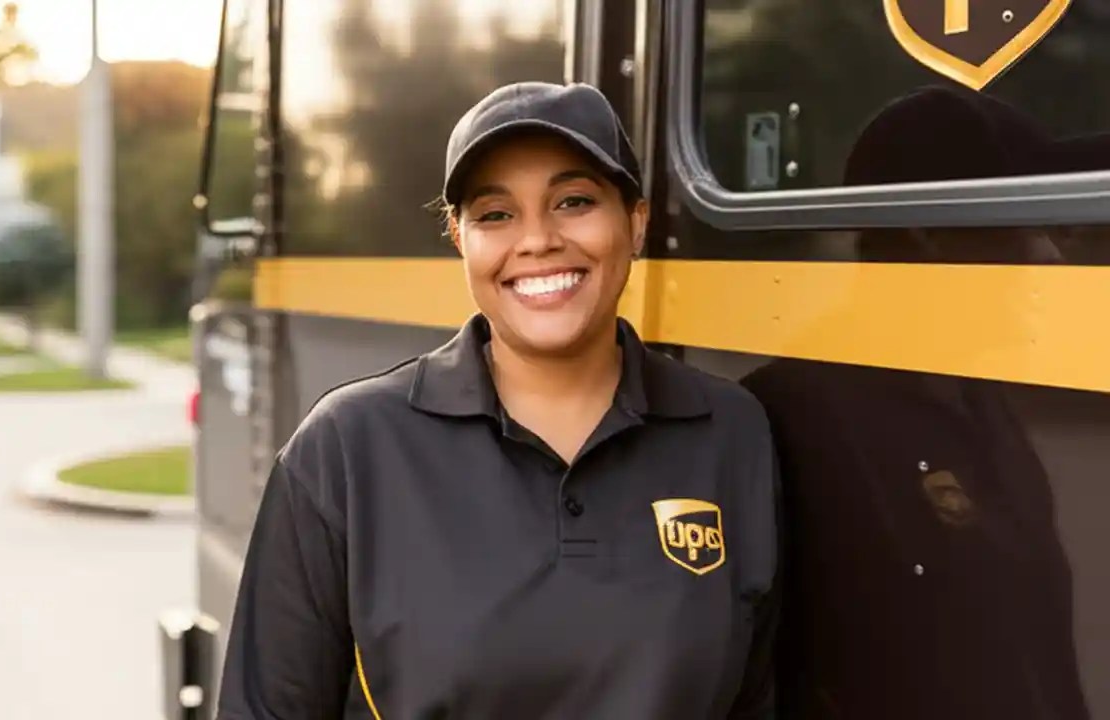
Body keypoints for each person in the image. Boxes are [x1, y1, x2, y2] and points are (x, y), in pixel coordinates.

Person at [216, 82, 781, 719]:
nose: (537, 240)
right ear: (459, 237)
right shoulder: (347, 447)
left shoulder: (730, 431)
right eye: (496, 214)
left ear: (637, 222)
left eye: (574, 201)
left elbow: (756, 698)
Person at [741, 85, 1092, 719]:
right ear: (931, 230)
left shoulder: (975, 400)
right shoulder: (797, 417)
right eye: (1032, 223)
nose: (1054, 255)